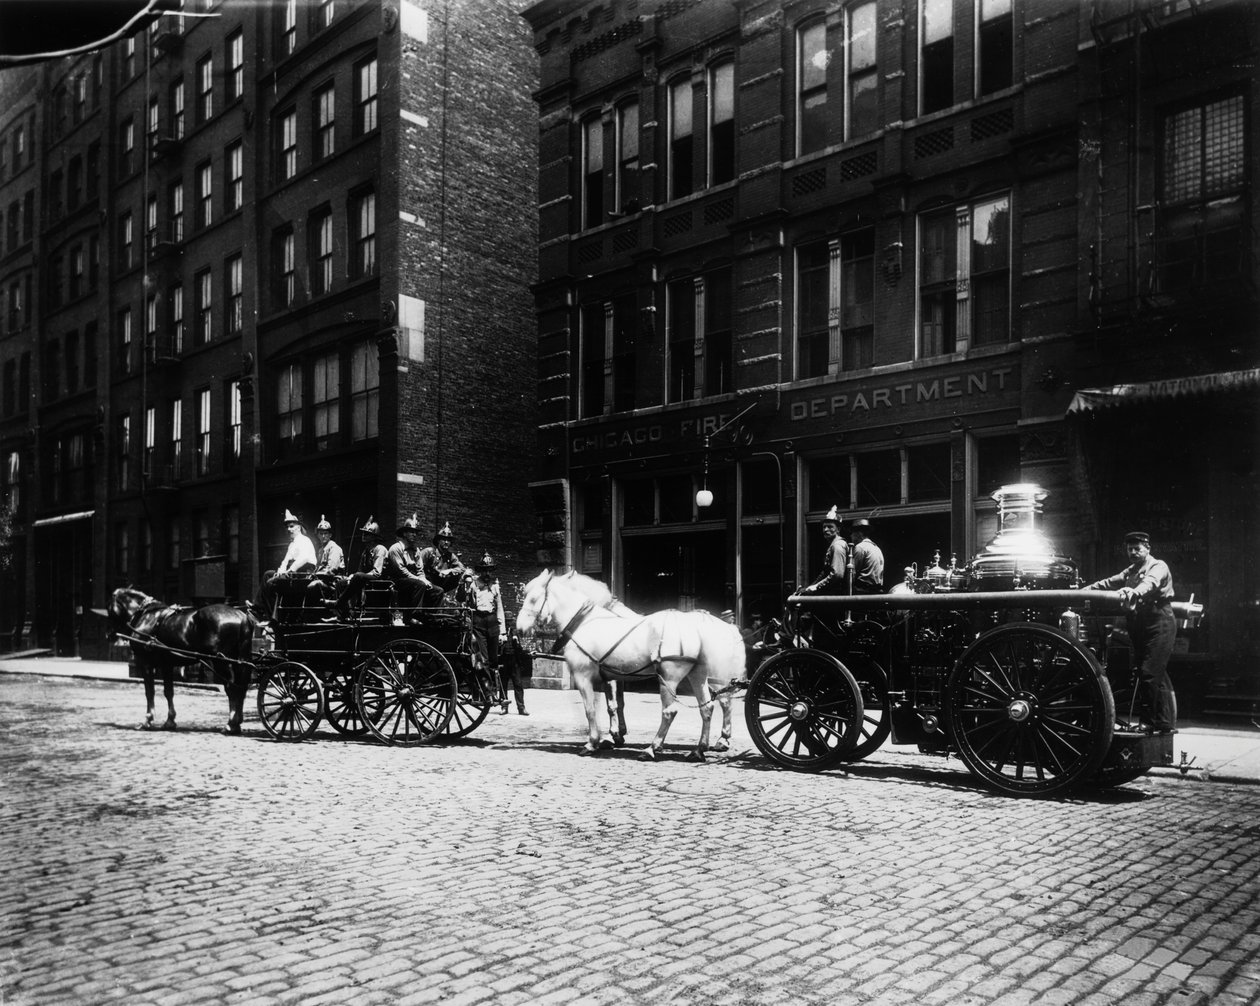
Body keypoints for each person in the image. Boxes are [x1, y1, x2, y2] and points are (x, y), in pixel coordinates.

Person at [1084, 531, 1176, 733]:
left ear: (1147, 548)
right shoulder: (1131, 570)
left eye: (1137, 548)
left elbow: (1149, 583)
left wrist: (1134, 592)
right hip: (1139, 623)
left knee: (1149, 673)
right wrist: (1083, 591)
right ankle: (1163, 723)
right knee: (1152, 674)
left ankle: (1149, 723)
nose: (1133, 552)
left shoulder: (1158, 566)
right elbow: (1108, 582)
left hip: (1159, 621)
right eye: (1130, 549)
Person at [464, 552, 514, 714]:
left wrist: (503, 633)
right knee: (483, 659)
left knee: (493, 661)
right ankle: (487, 693)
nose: (487, 574)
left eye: (490, 570)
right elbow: (469, 606)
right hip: (479, 622)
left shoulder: (495, 587)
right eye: (484, 570)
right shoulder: (474, 585)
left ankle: (495, 693)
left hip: (492, 623)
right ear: (480, 571)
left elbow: (500, 609)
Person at [253, 509, 317, 621]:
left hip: (303, 574)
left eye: (291, 526)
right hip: (293, 573)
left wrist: (290, 570)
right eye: (287, 527)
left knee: (271, 583)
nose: (289, 529)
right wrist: (280, 570)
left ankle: (273, 618)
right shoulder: (292, 544)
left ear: (298, 527)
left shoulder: (304, 540)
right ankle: (258, 609)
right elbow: (285, 561)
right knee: (268, 575)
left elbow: (304, 558)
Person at [385, 513, 442, 619]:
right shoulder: (396, 548)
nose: (414, 535)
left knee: (438, 591)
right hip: (398, 581)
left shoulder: (416, 550)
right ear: (404, 533)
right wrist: (420, 580)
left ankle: (429, 617)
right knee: (420, 584)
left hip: (414, 580)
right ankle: (414, 616)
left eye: (415, 532)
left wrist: (424, 579)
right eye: (411, 532)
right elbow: (401, 570)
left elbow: (420, 569)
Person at [332, 517, 389, 618]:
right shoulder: (365, 552)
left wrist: (358, 576)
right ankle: (343, 614)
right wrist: (352, 576)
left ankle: (338, 603)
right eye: (363, 533)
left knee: (357, 576)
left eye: (366, 534)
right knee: (341, 582)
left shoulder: (380, 549)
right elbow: (360, 571)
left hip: (379, 581)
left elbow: (377, 572)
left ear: (374, 537)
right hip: (364, 579)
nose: (363, 535)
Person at [800, 506, 848, 595]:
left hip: (837, 595)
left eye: (830, 527)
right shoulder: (832, 545)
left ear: (838, 529)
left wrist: (816, 587)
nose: (826, 530)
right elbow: (825, 572)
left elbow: (837, 575)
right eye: (824, 527)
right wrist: (809, 588)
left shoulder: (837, 546)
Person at [419, 521, 467, 604]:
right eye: (443, 539)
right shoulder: (428, 552)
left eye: (448, 540)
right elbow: (417, 567)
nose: (446, 542)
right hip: (425, 585)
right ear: (438, 541)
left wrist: (449, 570)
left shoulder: (450, 556)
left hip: (440, 587)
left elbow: (462, 568)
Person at [305, 515, 346, 605]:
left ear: (330, 535)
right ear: (318, 535)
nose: (323, 536)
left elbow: (331, 570)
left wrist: (315, 575)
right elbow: (318, 567)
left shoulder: (334, 548)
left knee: (314, 585)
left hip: (333, 583)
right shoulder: (320, 550)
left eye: (326, 533)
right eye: (321, 533)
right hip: (323, 581)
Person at [849, 518, 885, 594]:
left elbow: (852, 574)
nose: (851, 536)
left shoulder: (860, 547)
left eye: (852, 533)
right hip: (876, 592)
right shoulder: (876, 548)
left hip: (863, 592)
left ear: (859, 533)